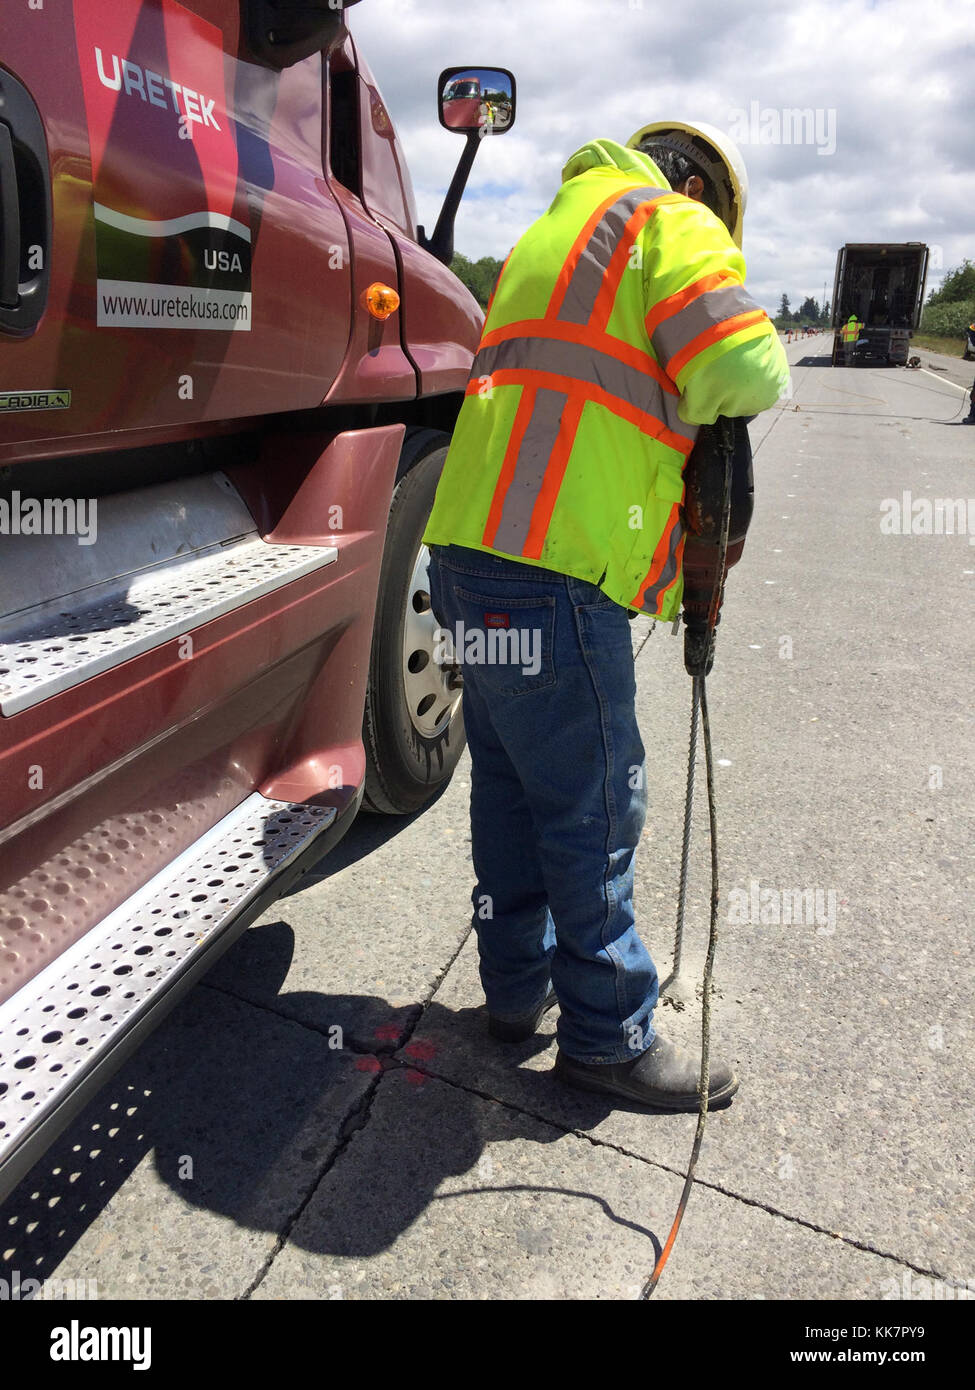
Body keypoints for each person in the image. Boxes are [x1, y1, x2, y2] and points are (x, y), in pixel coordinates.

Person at [424, 122, 788, 1111]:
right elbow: (742, 367)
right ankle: (610, 1036)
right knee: (592, 805)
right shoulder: (669, 223)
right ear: (707, 191)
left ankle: (515, 992)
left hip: (461, 554)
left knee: (506, 784)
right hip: (554, 568)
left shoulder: (547, 234)